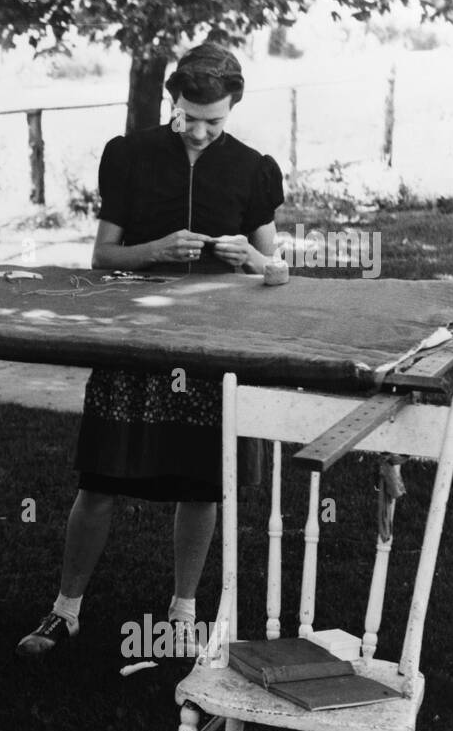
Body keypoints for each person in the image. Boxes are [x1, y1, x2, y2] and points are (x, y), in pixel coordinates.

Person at [15, 43, 284, 657]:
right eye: (189, 116)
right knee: (101, 478)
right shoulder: (130, 155)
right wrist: (157, 249)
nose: (198, 131)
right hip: (134, 342)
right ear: (172, 101)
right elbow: (102, 257)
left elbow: (278, 274)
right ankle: (66, 610)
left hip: (210, 346)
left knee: (201, 484)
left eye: (213, 122)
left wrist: (256, 259)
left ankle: (183, 609)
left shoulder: (252, 168)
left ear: (232, 110)